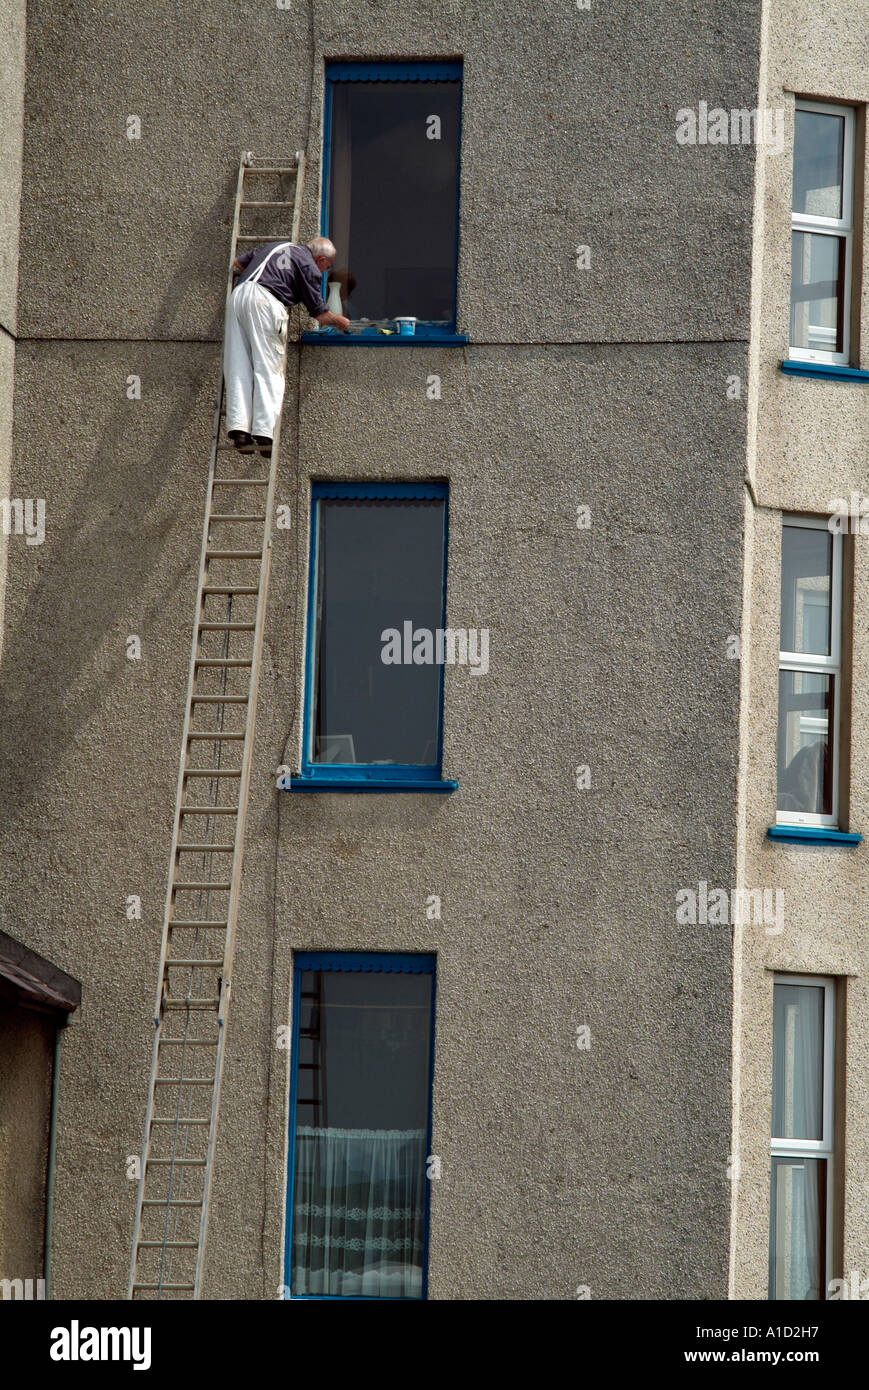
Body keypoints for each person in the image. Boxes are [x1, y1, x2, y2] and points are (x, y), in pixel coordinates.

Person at [223, 236, 350, 454]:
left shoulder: (277, 246)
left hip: (239, 296)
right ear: (320, 259)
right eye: (326, 267)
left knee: (238, 365)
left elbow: (238, 263)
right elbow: (319, 313)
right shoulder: (309, 266)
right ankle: (263, 433)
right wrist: (340, 321)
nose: (324, 273)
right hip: (266, 302)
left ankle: (239, 431)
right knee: (269, 367)